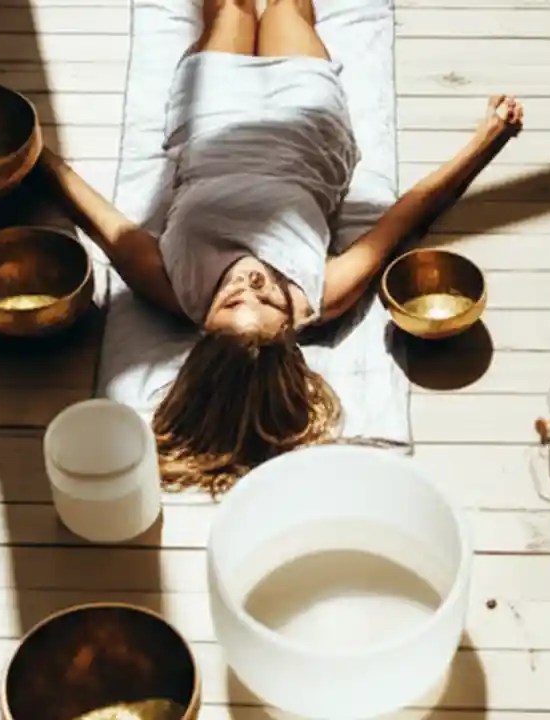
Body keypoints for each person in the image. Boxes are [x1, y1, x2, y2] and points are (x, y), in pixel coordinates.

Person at [42, 0, 523, 493]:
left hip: (213, 115)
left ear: (205, 332)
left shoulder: (175, 287)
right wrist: (487, 141)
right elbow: (407, 216)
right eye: (269, 301)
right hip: (304, 120)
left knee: (230, 10)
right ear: (290, 337)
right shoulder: (322, 293)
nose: (250, 285)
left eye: (231, 301)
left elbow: (96, 215)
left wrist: (28, 151)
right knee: (288, 11)